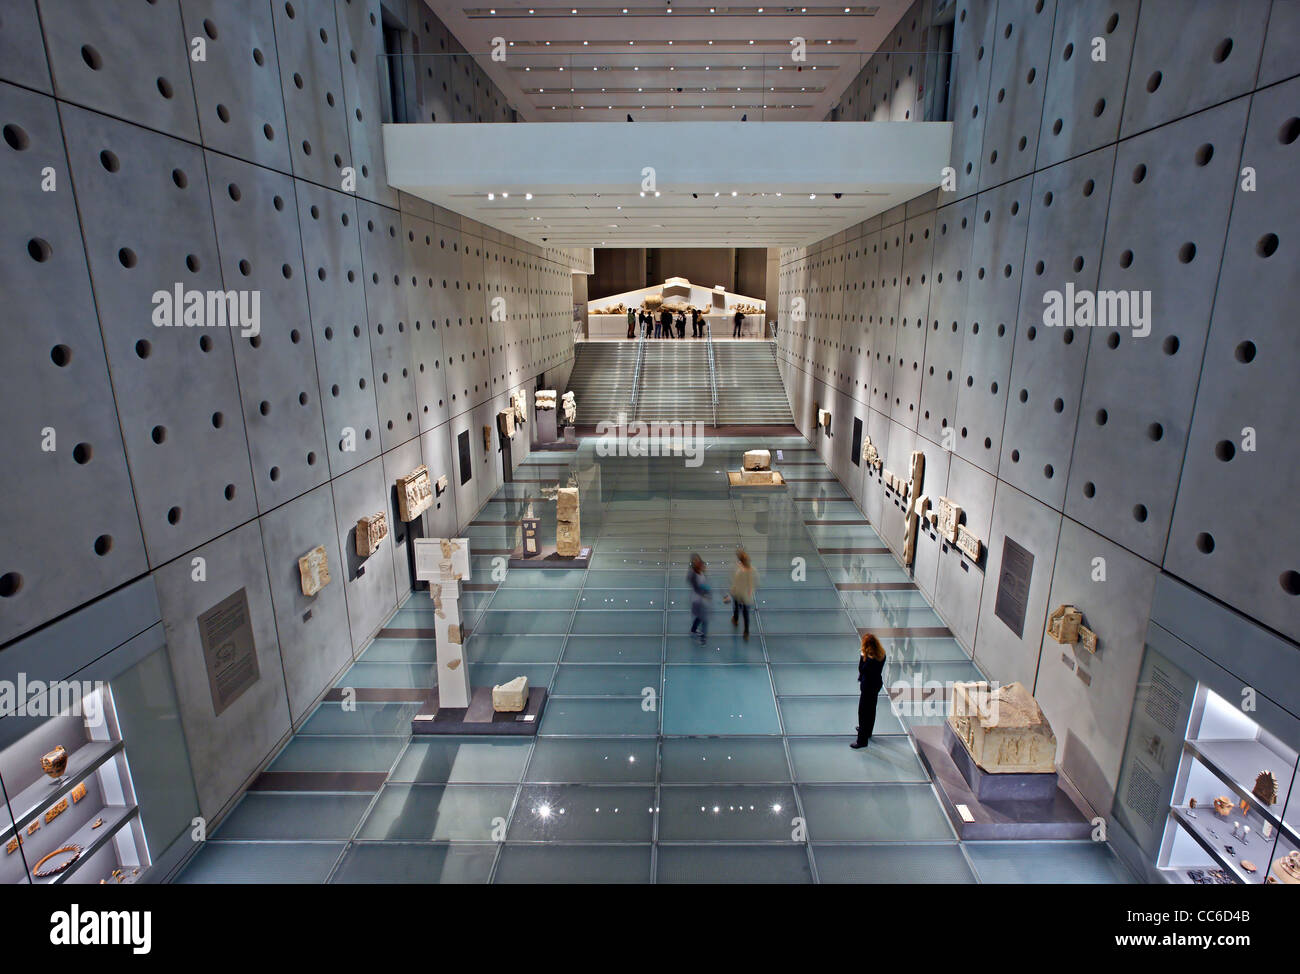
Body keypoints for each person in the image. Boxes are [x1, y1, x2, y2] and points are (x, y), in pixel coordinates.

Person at [852, 633, 887, 749]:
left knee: (863, 712)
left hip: (868, 687)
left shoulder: (869, 660)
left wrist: (862, 657)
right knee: (871, 710)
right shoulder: (882, 655)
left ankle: (862, 740)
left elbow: (861, 669)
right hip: (876, 685)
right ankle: (867, 731)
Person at [722, 548, 758, 640]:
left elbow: (735, 583)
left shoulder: (739, 571)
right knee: (746, 614)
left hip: (739, 594)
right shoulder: (752, 570)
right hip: (746, 596)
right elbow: (754, 582)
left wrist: (730, 594)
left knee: (737, 607)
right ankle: (746, 631)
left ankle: (736, 619)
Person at [687, 554, 710, 643]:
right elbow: (698, 588)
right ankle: (703, 637)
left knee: (700, 617)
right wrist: (706, 592)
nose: (704, 567)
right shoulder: (694, 575)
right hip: (698, 600)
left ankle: (693, 630)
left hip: (700, 599)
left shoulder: (700, 573)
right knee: (703, 618)